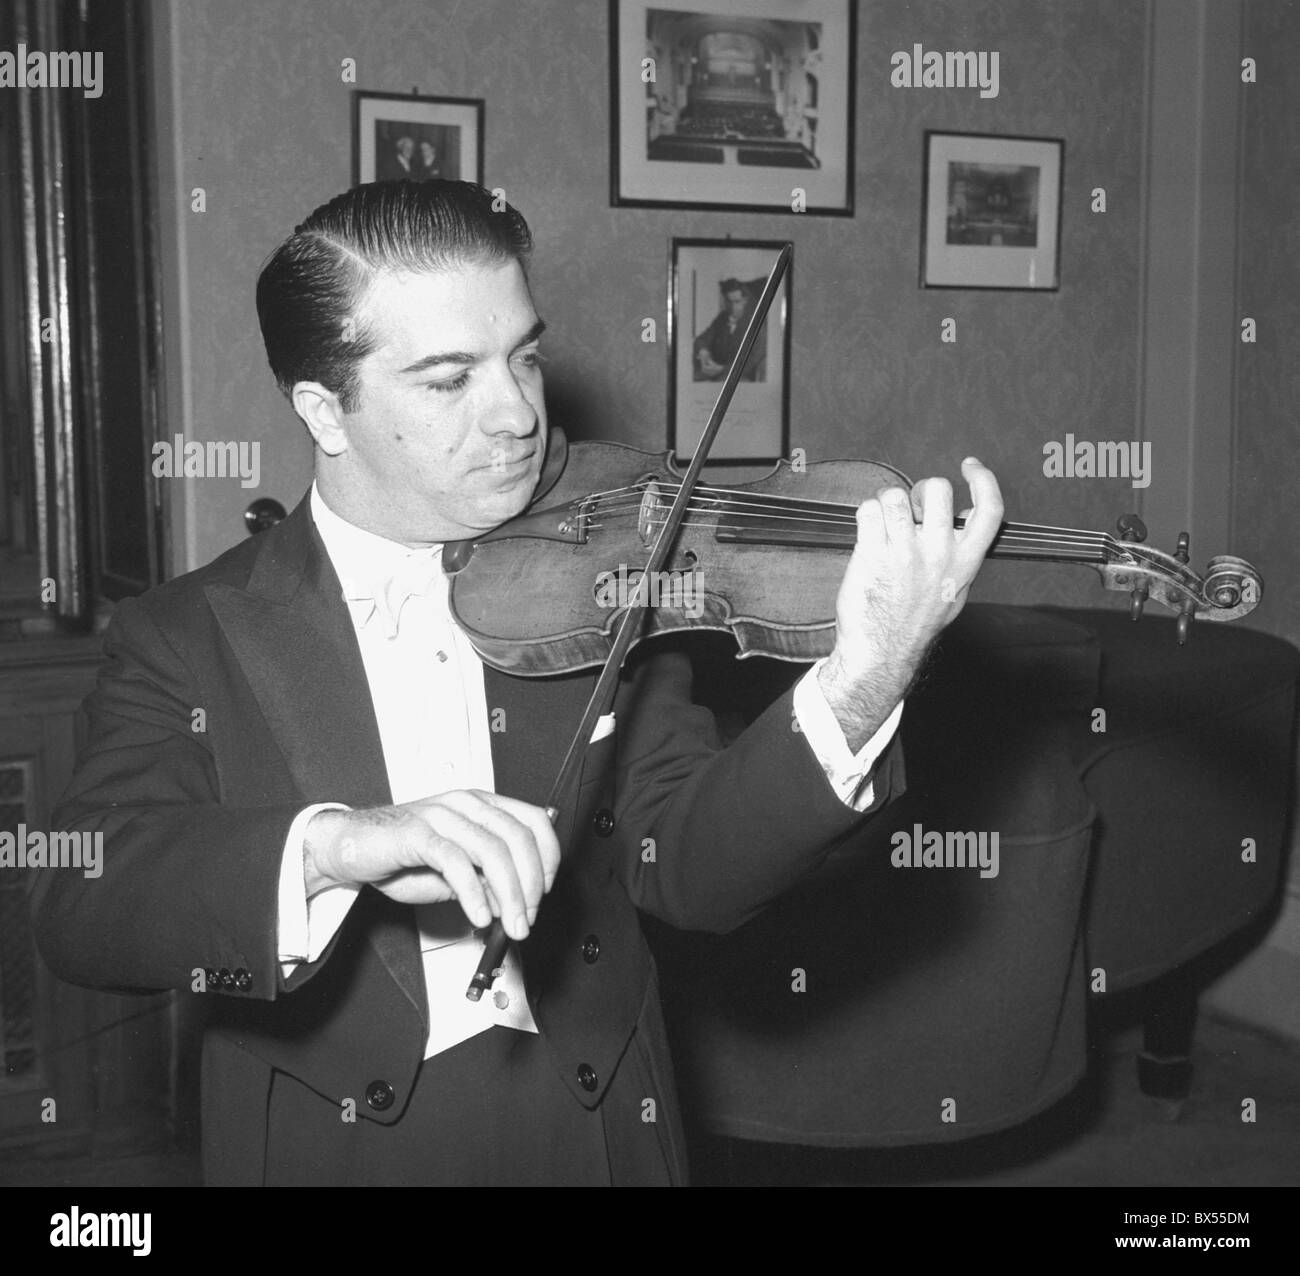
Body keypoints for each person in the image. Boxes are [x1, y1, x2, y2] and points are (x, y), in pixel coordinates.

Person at [33, 180, 1003, 1186]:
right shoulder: (185, 634)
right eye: (449, 381)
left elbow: (694, 873)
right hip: (332, 1147)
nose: (518, 417)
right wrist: (336, 845)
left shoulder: (612, 569)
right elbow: (80, 899)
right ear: (326, 410)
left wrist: (859, 683)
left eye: (524, 356)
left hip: (599, 1119)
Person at [694, 277, 764, 381]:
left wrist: (722, 369)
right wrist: (703, 351)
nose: (732, 307)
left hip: (740, 377)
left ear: (745, 301)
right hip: (715, 372)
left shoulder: (756, 323)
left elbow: (752, 361)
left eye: (736, 302)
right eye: (728, 301)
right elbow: (703, 338)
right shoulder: (722, 318)